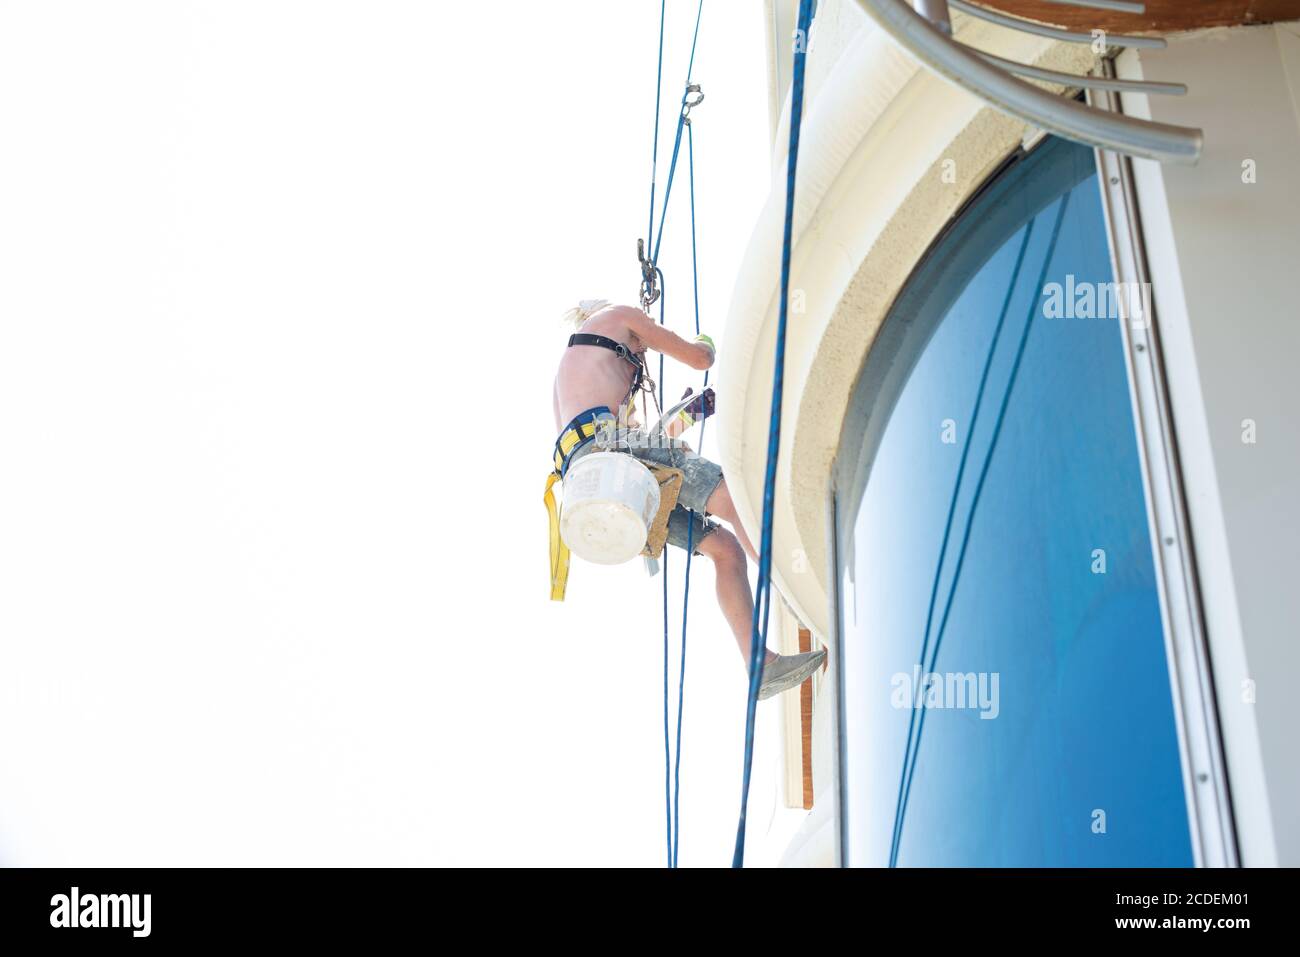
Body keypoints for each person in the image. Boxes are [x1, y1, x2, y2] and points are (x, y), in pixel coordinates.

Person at [549, 299, 825, 700]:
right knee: (730, 495)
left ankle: (759, 666)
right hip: (611, 453)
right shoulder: (622, 318)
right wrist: (704, 343)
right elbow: (698, 358)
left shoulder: (573, 370)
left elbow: (641, 446)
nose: (643, 350)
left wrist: (689, 415)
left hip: (596, 485)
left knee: (725, 550)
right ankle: (792, 586)